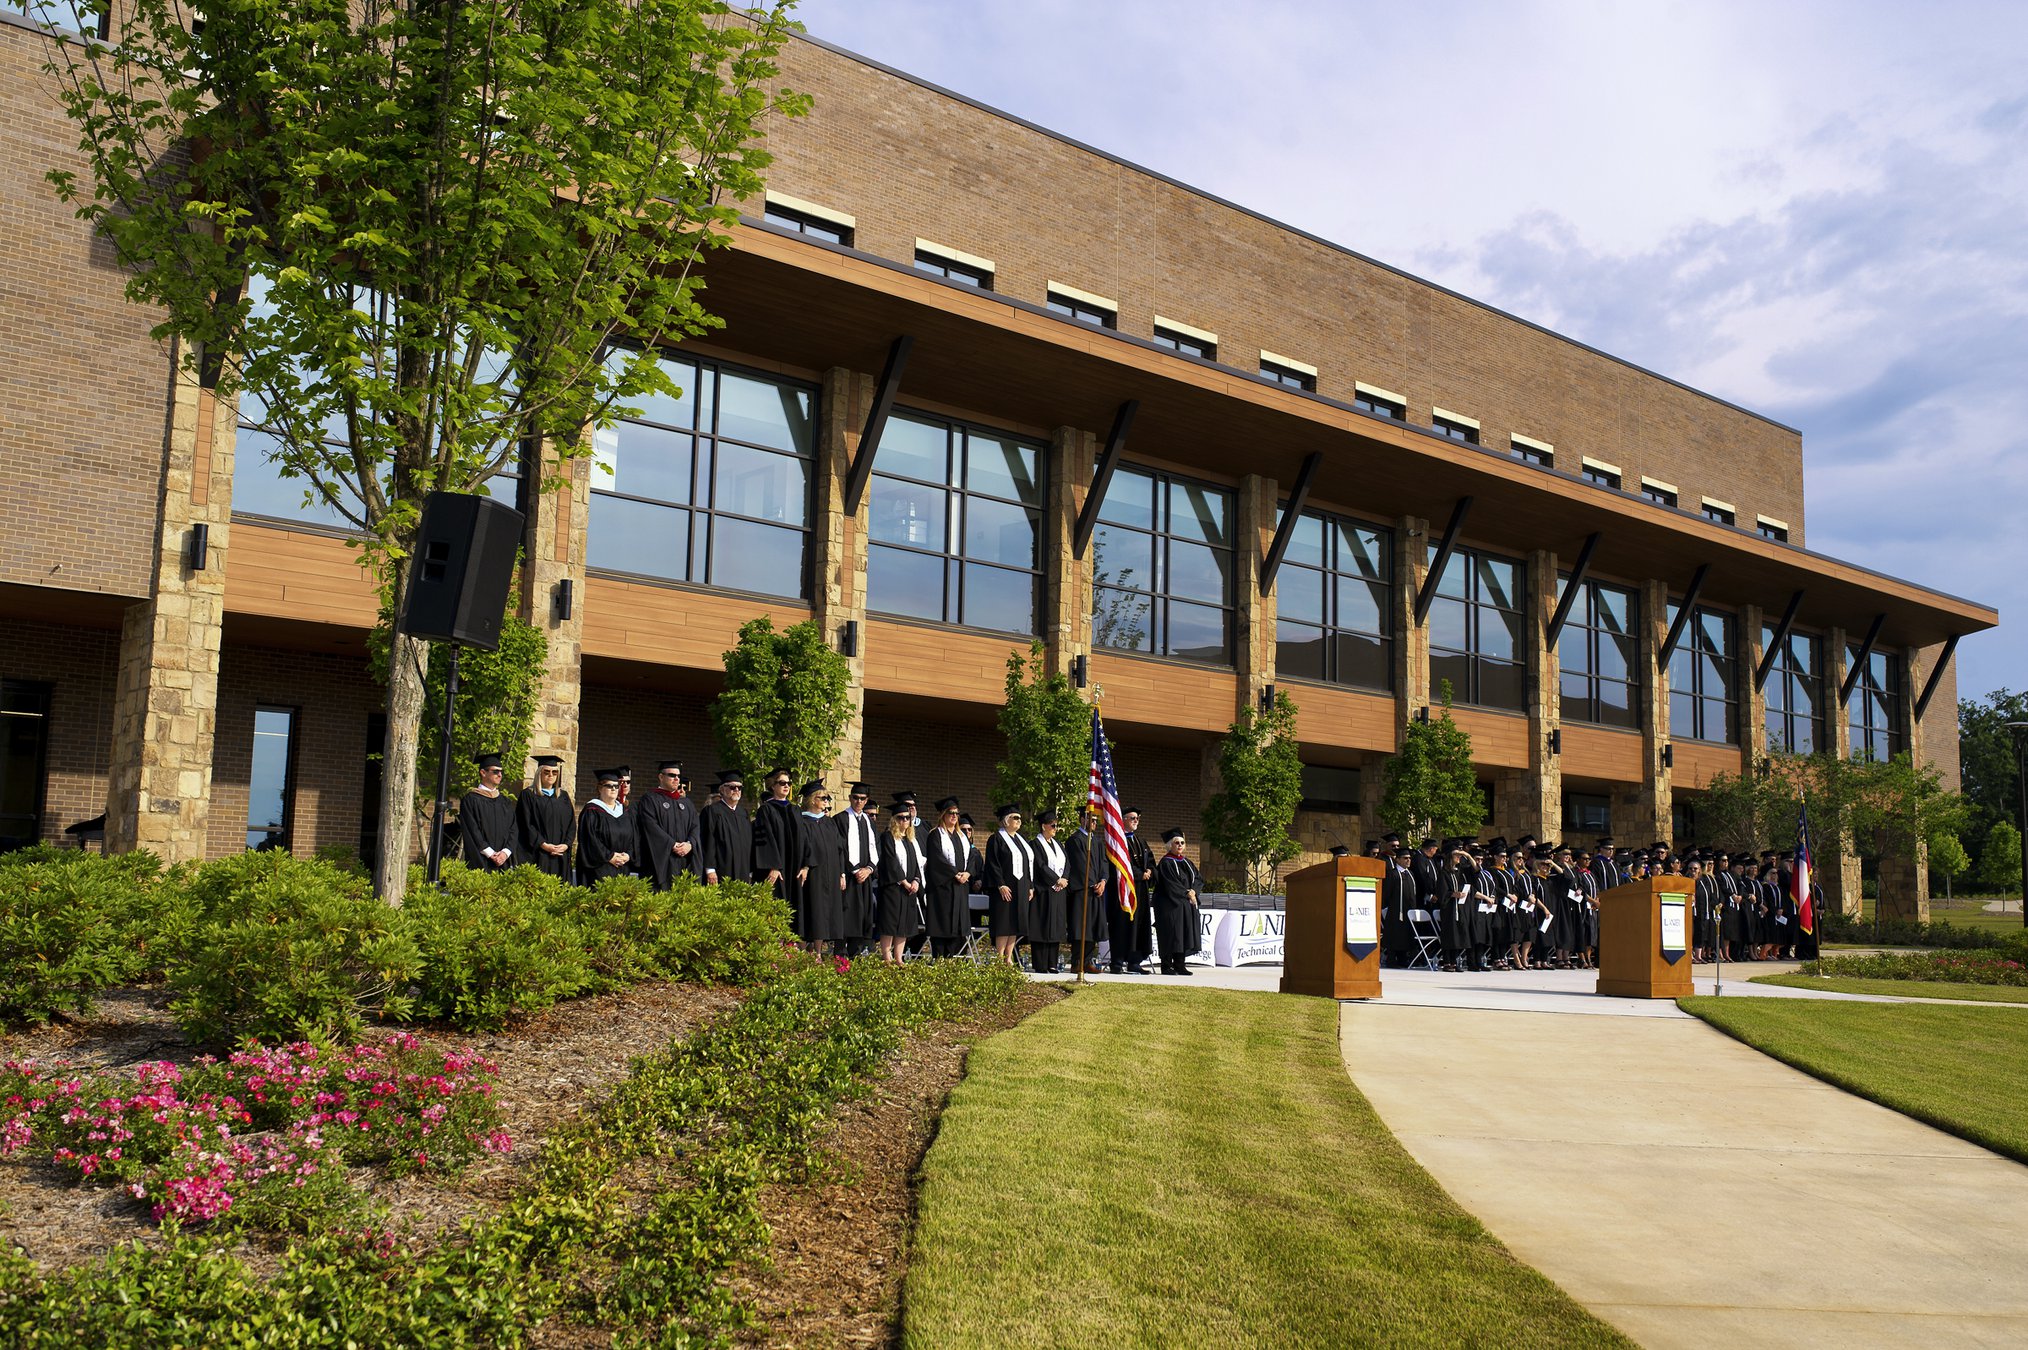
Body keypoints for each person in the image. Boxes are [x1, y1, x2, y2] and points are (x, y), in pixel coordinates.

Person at [795, 781, 848, 953]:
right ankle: (803, 950)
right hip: (813, 874)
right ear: (812, 800)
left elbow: (840, 849)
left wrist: (841, 873)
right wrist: (806, 865)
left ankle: (817, 952)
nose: (826, 801)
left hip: (831, 874)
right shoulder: (802, 822)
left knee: (825, 911)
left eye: (828, 798)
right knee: (812, 909)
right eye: (823, 798)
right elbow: (802, 847)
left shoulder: (829, 823)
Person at [634, 759, 700, 892]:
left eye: (678, 776)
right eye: (672, 775)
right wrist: (672, 844)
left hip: (683, 861)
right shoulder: (650, 800)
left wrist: (690, 843)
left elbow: (695, 826)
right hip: (660, 862)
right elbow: (650, 827)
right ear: (661, 776)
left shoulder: (686, 803)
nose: (676, 779)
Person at [753, 767, 806, 929]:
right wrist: (774, 866)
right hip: (777, 870)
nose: (786, 786)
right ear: (772, 786)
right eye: (782, 783)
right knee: (776, 904)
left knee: (794, 908)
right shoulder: (765, 810)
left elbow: (804, 839)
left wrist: (805, 866)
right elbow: (765, 839)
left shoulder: (795, 810)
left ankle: (791, 946)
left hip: (795, 869)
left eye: (789, 783)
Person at [876, 795, 926, 965]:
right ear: (894, 820)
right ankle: (887, 957)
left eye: (907, 818)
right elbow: (890, 862)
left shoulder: (910, 840)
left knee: (904, 925)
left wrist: (916, 881)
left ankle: (899, 957)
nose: (904, 820)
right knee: (890, 923)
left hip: (909, 889)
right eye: (901, 818)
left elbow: (916, 864)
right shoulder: (888, 837)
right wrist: (903, 881)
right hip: (893, 887)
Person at [920, 797, 971, 958]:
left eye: (956, 813)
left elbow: (972, 858)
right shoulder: (935, 835)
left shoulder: (961, 836)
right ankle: (940, 958)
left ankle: (954, 959)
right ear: (943, 814)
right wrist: (954, 874)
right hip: (943, 887)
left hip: (961, 886)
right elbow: (936, 859)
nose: (954, 816)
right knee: (942, 923)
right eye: (950, 813)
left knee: (957, 925)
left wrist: (967, 873)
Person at [984, 804, 1033, 965]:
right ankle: (999, 957)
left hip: (1020, 888)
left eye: (1020, 818)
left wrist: (1030, 885)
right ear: (1006, 820)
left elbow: (1028, 865)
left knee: (1015, 923)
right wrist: (1000, 884)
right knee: (1003, 923)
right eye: (1015, 818)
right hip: (1004, 889)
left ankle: (1009, 957)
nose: (1019, 821)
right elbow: (993, 864)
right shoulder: (996, 839)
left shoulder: (1021, 841)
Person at [835, 782, 880, 959]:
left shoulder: (869, 821)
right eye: (855, 797)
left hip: (865, 878)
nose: (858, 801)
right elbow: (839, 849)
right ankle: (839, 955)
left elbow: (875, 847)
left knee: (862, 916)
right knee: (846, 916)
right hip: (849, 877)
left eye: (862, 799)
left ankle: (855, 955)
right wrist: (854, 870)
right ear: (850, 798)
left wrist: (869, 869)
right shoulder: (841, 819)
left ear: (866, 800)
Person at [1151, 828, 1203, 975]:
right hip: (1169, 906)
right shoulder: (1166, 863)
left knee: (1182, 935)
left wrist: (1193, 891)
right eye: (1176, 843)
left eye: (1182, 842)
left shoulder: (1187, 862)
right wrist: (1187, 893)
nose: (1180, 845)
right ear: (1170, 845)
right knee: (1171, 935)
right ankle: (1166, 966)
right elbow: (1170, 884)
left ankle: (1180, 965)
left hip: (1185, 905)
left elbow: (1198, 879)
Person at [1026, 809, 1071, 974]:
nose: (1055, 828)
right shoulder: (1035, 844)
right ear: (1043, 826)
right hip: (1043, 891)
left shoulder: (1058, 844)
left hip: (1059, 892)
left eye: (1056, 825)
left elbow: (1067, 863)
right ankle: (1040, 964)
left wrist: (1064, 879)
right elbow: (1040, 865)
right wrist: (1055, 879)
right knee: (1042, 927)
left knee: (1056, 928)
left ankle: (1052, 963)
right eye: (1052, 825)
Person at [516, 754, 574, 880]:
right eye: (546, 772)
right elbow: (526, 823)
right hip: (538, 854)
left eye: (554, 772)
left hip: (560, 855)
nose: (551, 775)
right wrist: (544, 844)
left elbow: (571, 824)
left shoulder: (563, 797)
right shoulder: (528, 795)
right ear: (539, 773)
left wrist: (566, 845)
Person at [1065, 808, 1109, 975]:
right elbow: (1081, 866)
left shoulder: (1096, 841)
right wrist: (1092, 883)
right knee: (1080, 927)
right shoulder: (1074, 840)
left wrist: (1103, 881)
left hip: (1096, 891)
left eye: (1096, 821)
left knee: (1092, 927)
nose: (1094, 823)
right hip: (1081, 891)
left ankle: (1088, 960)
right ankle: (1077, 961)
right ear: (1081, 819)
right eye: (1091, 819)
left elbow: (1104, 864)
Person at [458, 753, 519, 870]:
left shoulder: (505, 802)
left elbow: (514, 829)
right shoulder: (471, 800)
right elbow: (472, 830)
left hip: (504, 862)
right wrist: (491, 854)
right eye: (495, 771)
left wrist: (505, 853)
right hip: (481, 860)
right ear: (483, 773)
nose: (500, 775)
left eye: (501, 772)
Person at [576, 768, 636, 883]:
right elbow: (590, 840)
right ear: (599, 788)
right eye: (609, 786)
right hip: (600, 868)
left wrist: (628, 855)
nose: (613, 789)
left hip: (622, 866)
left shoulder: (626, 811)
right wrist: (610, 856)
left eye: (616, 786)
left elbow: (634, 837)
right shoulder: (591, 810)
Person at [699, 770, 753, 887]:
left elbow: (749, 843)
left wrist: (750, 870)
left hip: (742, 870)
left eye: (739, 787)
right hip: (721, 869)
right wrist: (710, 869)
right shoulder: (712, 811)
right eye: (732, 787)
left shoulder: (743, 813)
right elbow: (707, 841)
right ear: (722, 790)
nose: (737, 790)